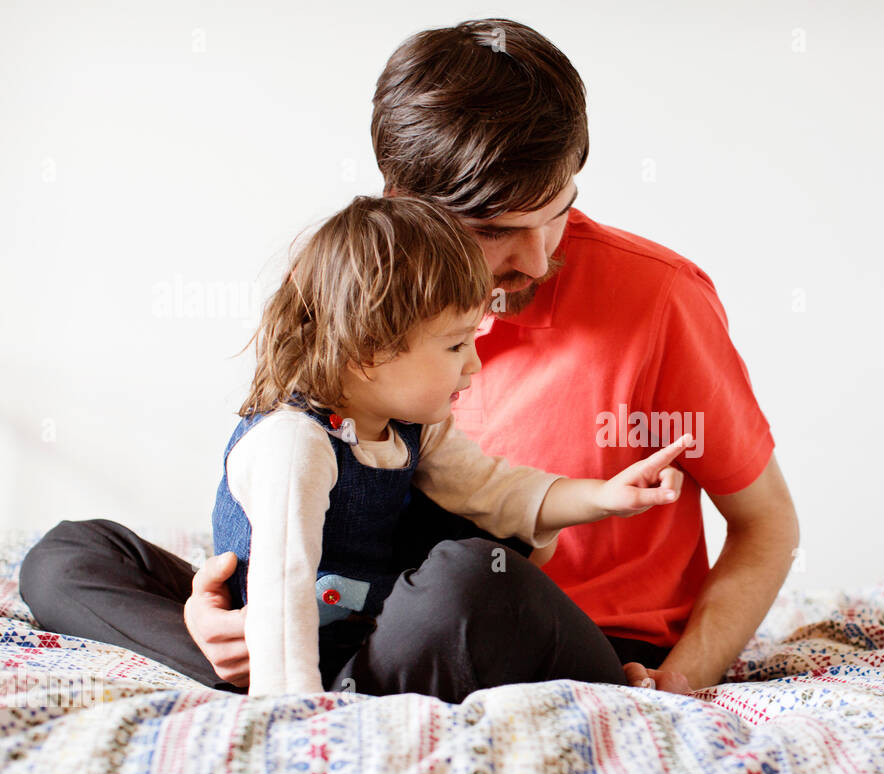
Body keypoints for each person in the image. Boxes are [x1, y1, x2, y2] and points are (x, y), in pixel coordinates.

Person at [25, 18, 798, 697]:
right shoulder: (343, 283)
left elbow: (766, 527)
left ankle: (307, 686)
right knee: (67, 558)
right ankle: (299, 673)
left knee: (464, 581)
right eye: (495, 230)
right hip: (359, 610)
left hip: (524, 624)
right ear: (402, 202)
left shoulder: (661, 298)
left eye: (557, 210)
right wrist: (215, 604)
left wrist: (678, 680)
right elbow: (286, 487)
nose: (534, 257)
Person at [209, 194, 690, 698]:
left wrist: (605, 496)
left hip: (369, 638)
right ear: (368, 352)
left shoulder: (412, 426)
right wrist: (292, 709)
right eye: (458, 344)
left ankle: (608, 682)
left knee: (479, 560)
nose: (475, 365)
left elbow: (495, 490)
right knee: (115, 551)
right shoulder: (294, 443)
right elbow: (283, 583)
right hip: (299, 661)